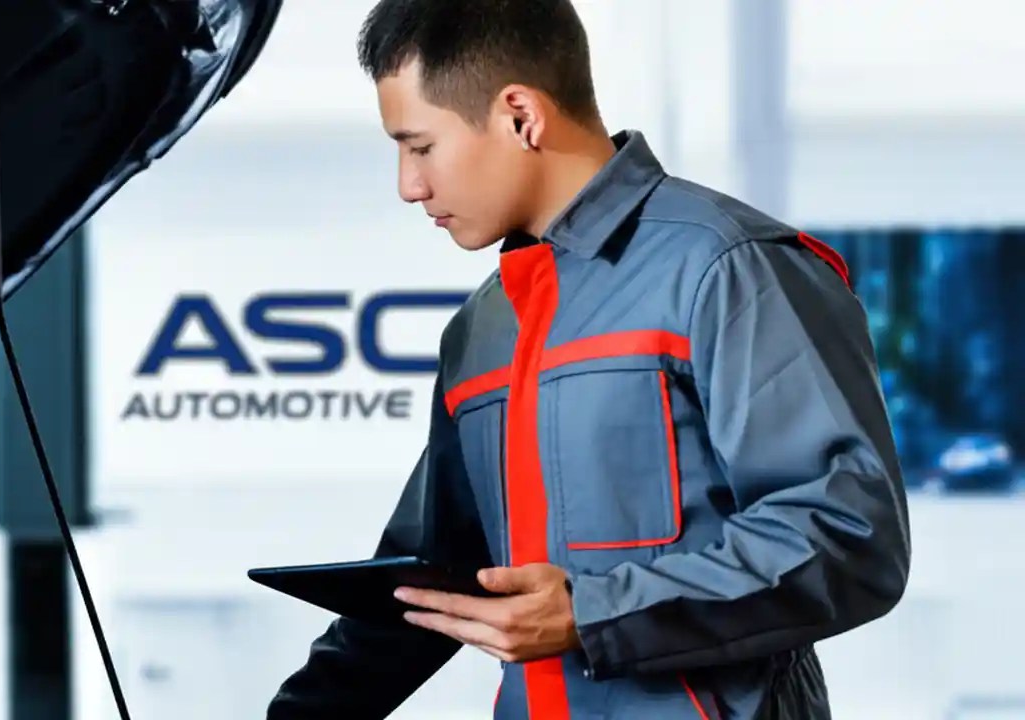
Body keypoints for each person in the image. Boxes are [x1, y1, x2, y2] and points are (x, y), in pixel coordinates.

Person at [266, 1, 911, 717]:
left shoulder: (727, 268)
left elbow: (849, 537)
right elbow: (428, 587)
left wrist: (592, 611)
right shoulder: (482, 329)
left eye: (419, 146)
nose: (409, 185)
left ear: (520, 116)